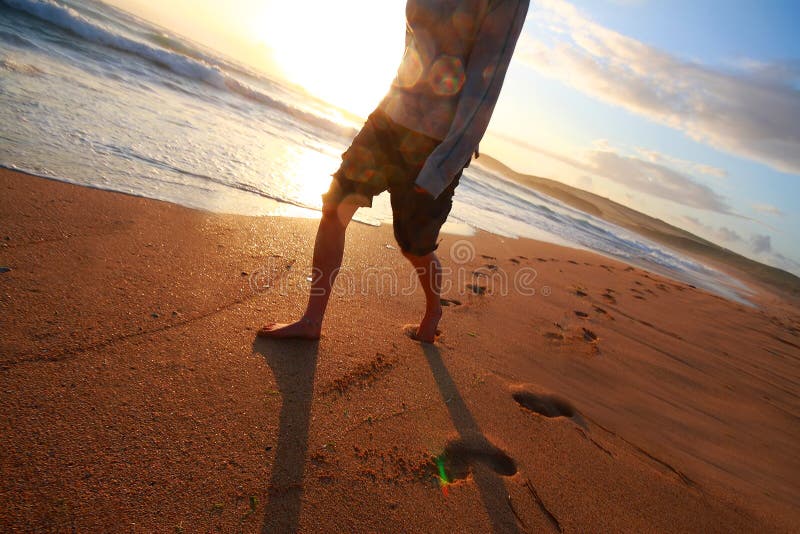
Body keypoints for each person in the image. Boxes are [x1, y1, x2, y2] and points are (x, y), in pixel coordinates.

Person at [259, 0, 529, 342]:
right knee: (335, 205)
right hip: (389, 119)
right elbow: (415, 41)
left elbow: (486, 79)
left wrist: (446, 161)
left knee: (413, 245)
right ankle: (312, 320)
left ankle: (434, 307)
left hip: (435, 141)